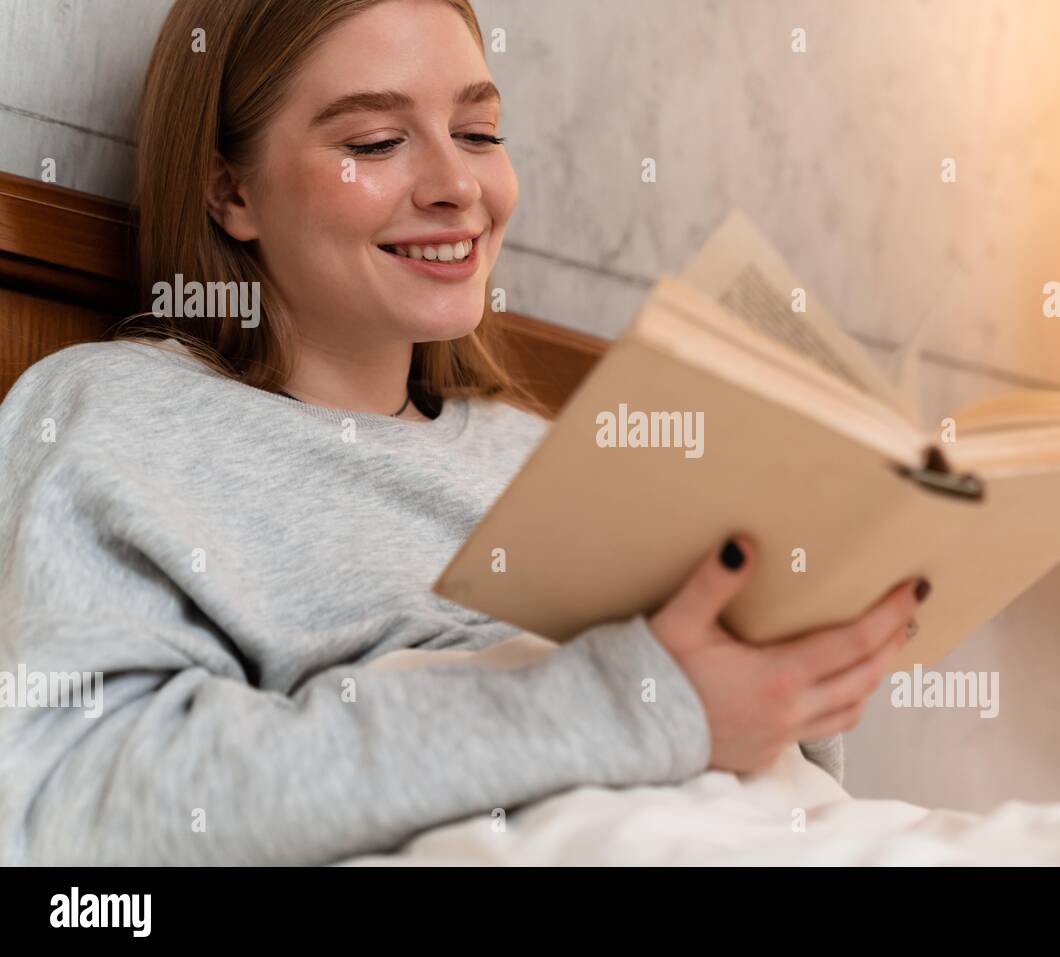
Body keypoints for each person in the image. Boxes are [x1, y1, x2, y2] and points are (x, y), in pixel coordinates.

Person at [0, 0, 926, 865]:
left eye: (479, 133)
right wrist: (633, 702)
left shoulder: (547, 454)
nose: (456, 184)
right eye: (376, 140)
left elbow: (784, 783)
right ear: (229, 192)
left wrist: (796, 650)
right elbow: (77, 802)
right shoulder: (118, 419)